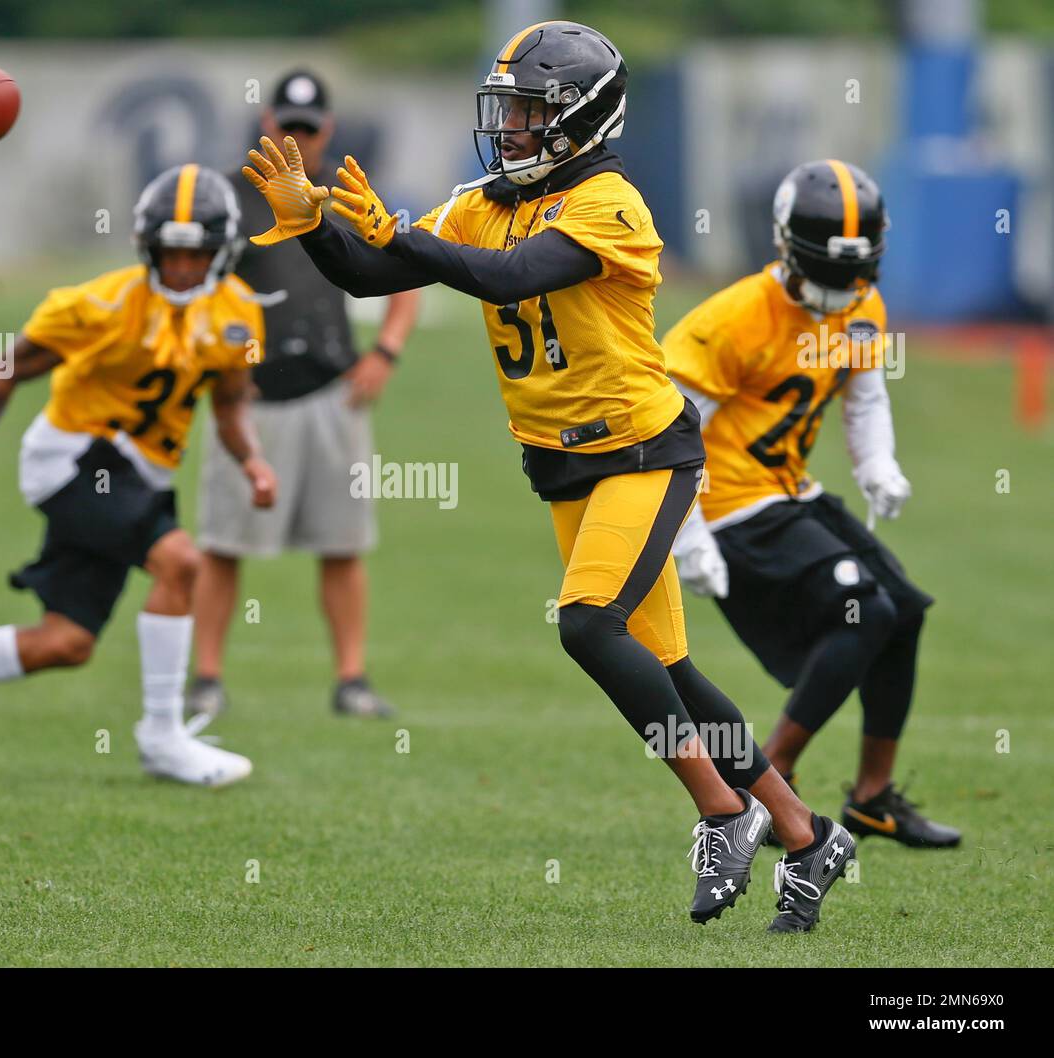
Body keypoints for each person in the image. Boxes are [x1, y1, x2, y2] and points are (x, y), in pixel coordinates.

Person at [242, 21, 856, 931]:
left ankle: (726, 812)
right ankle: (808, 837)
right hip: (564, 463)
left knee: (586, 627)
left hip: (642, 451)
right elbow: (372, 275)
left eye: (531, 111)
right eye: (510, 110)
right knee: (670, 670)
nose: (514, 127)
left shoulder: (611, 202)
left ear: (582, 117)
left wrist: (404, 237)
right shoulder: (485, 199)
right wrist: (316, 228)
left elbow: (507, 278)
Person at [0, 163, 276, 788]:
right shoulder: (98, 305)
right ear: (146, 248)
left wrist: (253, 460)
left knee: (66, 643)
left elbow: (232, 400)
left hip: (141, 474)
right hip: (72, 458)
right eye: (170, 253)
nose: (183, 268)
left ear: (222, 253)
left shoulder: (240, 315)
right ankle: (162, 736)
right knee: (182, 563)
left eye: (198, 254)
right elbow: (4, 370)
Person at [662, 159, 961, 848]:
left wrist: (878, 464)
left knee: (905, 614)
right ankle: (770, 781)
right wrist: (687, 531)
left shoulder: (861, 305)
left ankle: (871, 798)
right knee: (866, 612)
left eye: (851, 275)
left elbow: (864, 395)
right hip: (732, 504)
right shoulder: (734, 317)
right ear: (786, 248)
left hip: (792, 492)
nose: (839, 291)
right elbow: (667, 433)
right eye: (825, 272)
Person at [189, 70, 420, 720]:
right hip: (248, 398)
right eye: (284, 126)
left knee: (343, 545)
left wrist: (386, 352)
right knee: (224, 543)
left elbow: (408, 273)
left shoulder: (347, 197)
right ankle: (206, 677)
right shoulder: (228, 199)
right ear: (266, 125)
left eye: (307, 128)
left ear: (326, 130)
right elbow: (192, 289)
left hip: (330, 393)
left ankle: (351, 680)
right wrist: (214, 370)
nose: (295, 138)